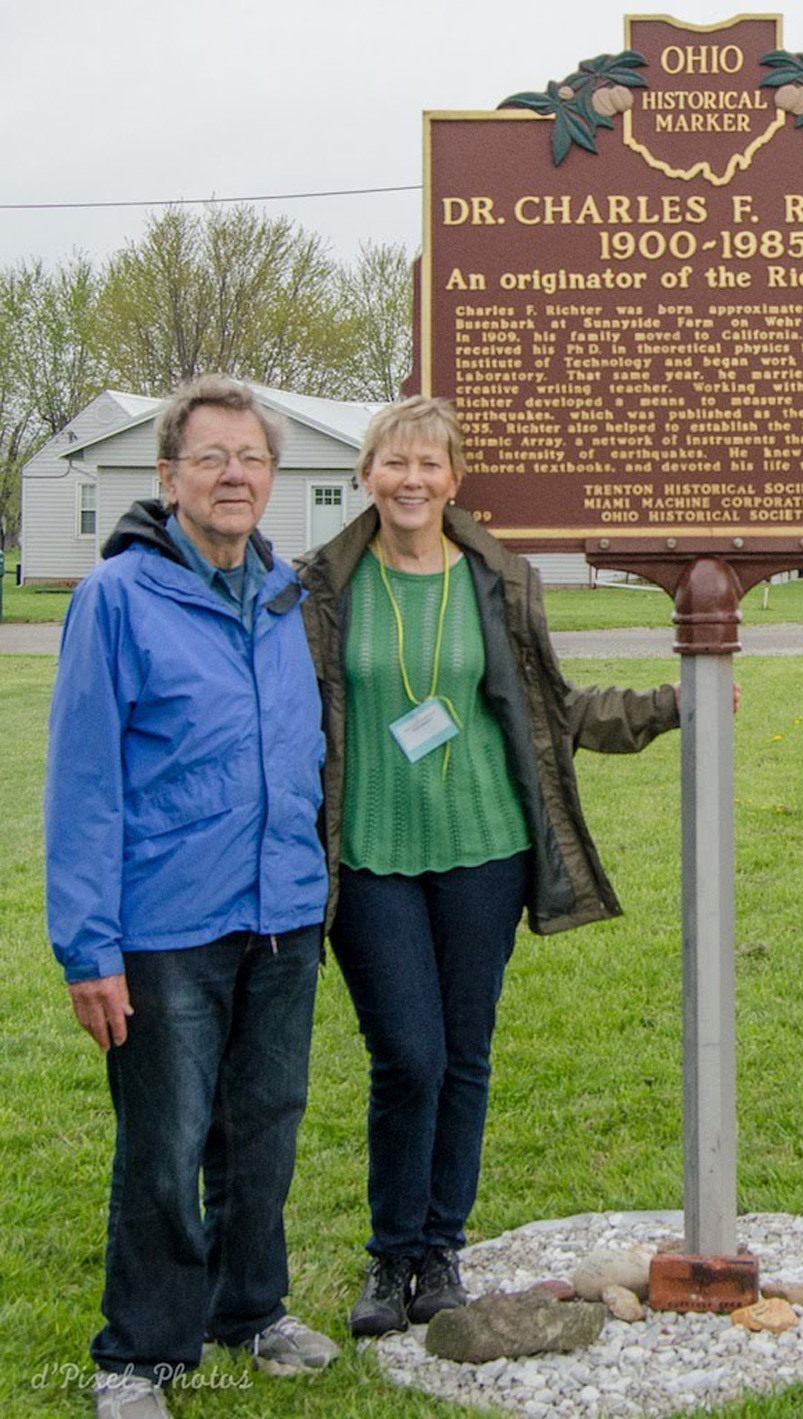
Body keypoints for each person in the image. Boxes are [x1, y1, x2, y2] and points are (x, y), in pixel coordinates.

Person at [298, 397, 681, 1338]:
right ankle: (390, 1257)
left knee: (463, 1054)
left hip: (487, 852)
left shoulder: (498, 582)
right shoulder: (319, 586)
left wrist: (680, 701)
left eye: (430, 464)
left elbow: (558, 709)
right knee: (408, 1056)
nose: (412, 480)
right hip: (369, 856)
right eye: (394, 463)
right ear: (367, 476)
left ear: (454, 481)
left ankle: (440, 1252)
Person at [45, 376, 338, 1419]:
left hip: (283, 918)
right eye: (210, 458)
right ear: (167, 477)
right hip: (164, 928)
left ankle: (252, 1309)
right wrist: (89, 950)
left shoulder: (285, 596)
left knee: (265, 1130)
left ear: (273, 479)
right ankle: (141, 1355)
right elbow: (83, 785)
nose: (233, 475)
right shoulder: (115, 600)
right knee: (165, 1148)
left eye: (251, 459)